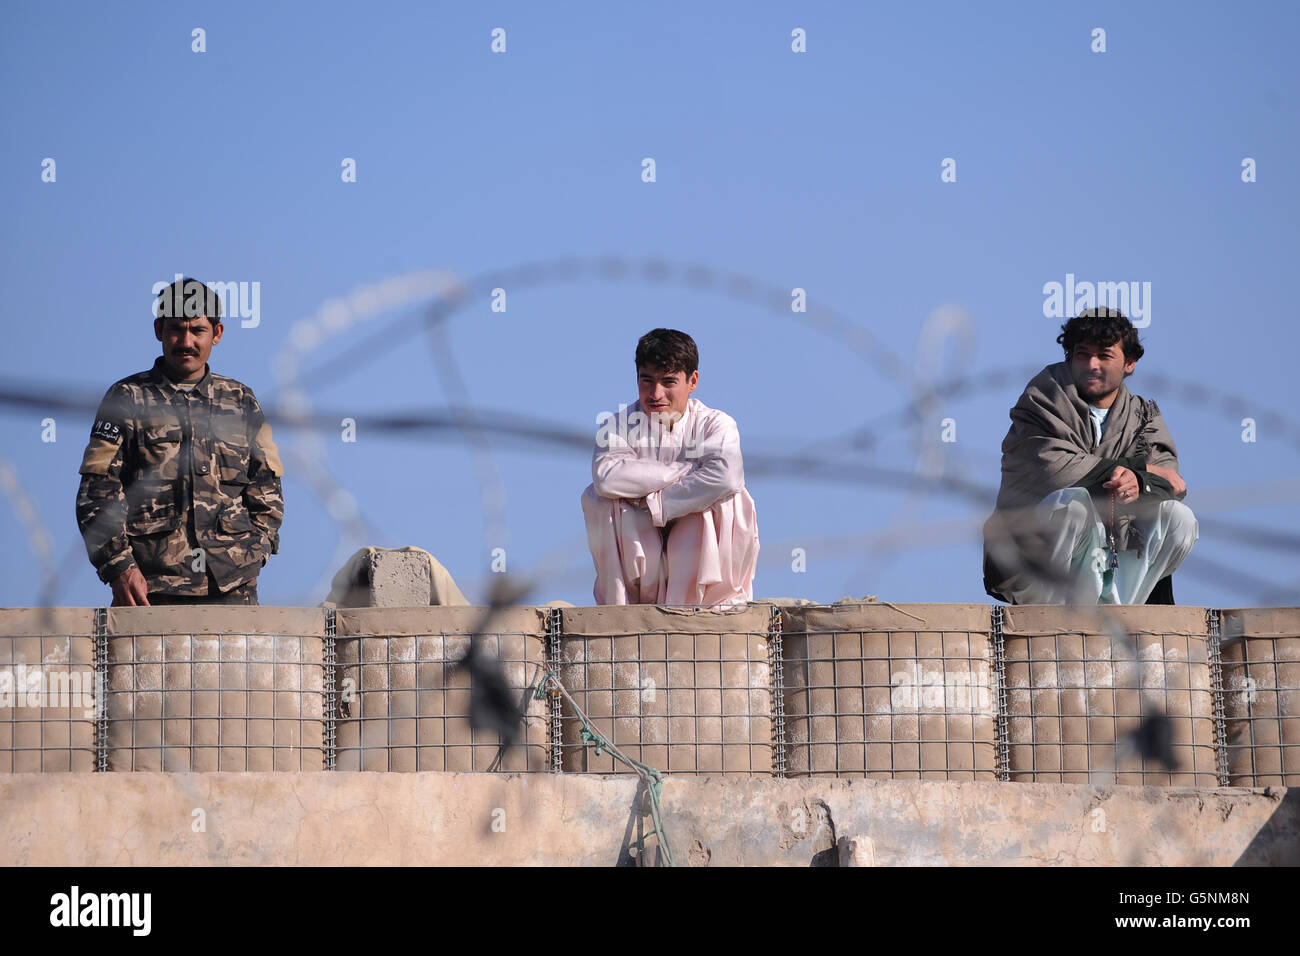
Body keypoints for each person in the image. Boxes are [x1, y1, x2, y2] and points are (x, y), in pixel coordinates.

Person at [75, 277, 284, 606]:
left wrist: (255, 553)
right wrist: (119, 568)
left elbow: (267, 486)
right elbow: (96, 494)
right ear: (159, 330)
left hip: (232, 591)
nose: (186, 341)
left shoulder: (241, 401)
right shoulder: (127, 399)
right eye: (176, 329)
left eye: (197, 330)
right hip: (151, 591)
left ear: (217, 334)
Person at [983, 308, 1197, 605]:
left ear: (1130, 363)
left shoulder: (1143, 418)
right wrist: (1134, 469)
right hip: (1027, 562)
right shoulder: (1043, 398)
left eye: (1104, 356)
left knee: (1178, 518)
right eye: (1082, 354)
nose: (1091, 365)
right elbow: (1054, 470)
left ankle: (1120, 615)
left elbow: (1172, 484)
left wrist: (1139, 482)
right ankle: (1046, 619)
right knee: (1074, 504)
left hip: (1111, 562)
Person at [580, 328, 759, 607]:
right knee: (600, 499)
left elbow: (725, 476)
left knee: (727, 496)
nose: (656, 394)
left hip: (698, 550)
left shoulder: (716, 424)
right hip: (640, 546)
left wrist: (657, 504)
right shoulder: (616, 426)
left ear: (693, 381)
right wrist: (687, 471)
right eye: (646, 381)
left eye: (668, 382)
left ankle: (711, 603)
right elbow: (607, 477)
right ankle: (621, 609)